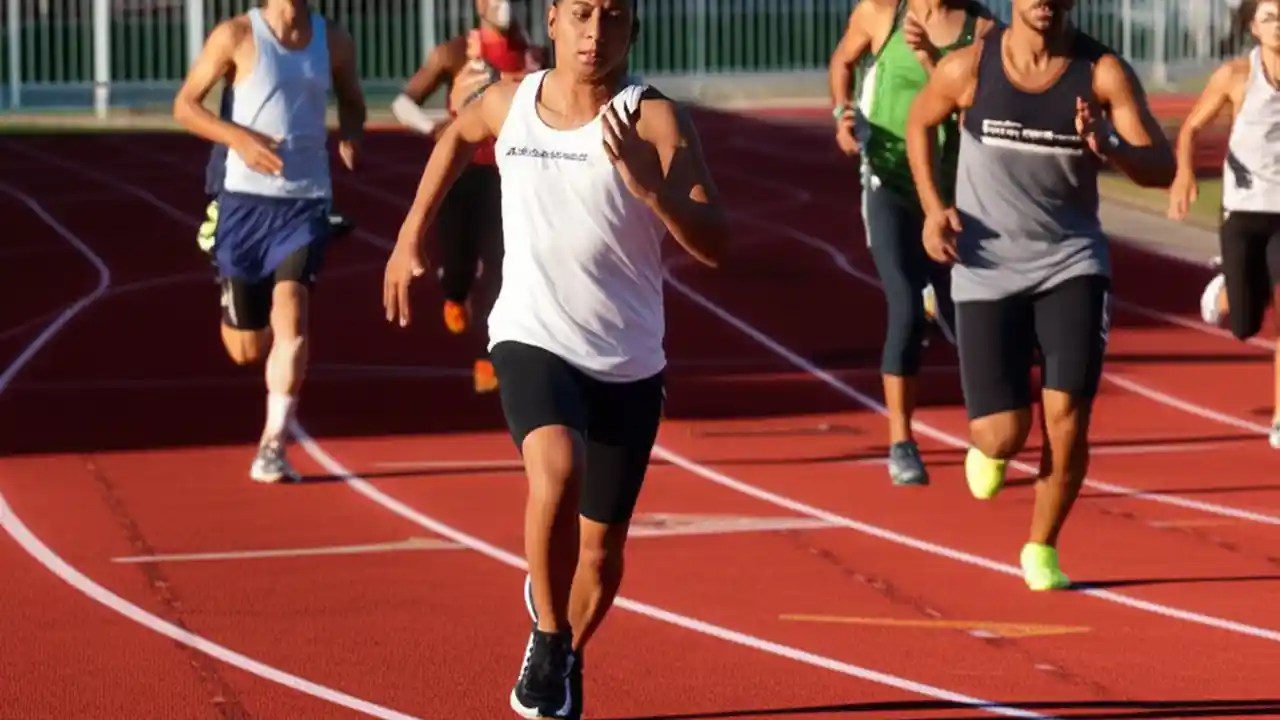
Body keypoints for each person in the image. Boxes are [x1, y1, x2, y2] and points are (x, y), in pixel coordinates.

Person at [383, 0, 729, 713]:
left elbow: (716, 243)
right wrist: (412, 230)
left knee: (598, 555)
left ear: (633, 29)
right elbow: (458, 136)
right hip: (532, 333)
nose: (595, 32)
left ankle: (564, 648)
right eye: (581, 14)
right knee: (558, 467)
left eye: (613, 17)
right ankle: (547, 633)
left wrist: (653, 191)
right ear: (552, 21)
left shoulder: (656, 121)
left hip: (627, 358)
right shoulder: (511, 103)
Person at [905, 0, 1174, 590]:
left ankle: (1041, 546)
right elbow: (920, 122)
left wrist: (1111, 145)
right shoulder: (972, 66)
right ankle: (992, 446)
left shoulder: (1101, 73)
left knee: (1067, 417)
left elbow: (1162, 166)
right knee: (1002, 432)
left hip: (1070, 263)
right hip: (986, 267)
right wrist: (931, 209)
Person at [174, 0, 366, 483]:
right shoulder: (236, 36)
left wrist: (351, 134)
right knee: (246, 349)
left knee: (293, 316)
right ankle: (222, 262)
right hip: (243, 202)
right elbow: (185, 105)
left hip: (306, 201)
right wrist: (238, 138)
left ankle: (272, 445)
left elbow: (352, 99)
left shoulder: (334, 41)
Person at [828, 0, 994, 486]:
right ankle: (902, 441)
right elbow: (842, 61)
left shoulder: (984, 30)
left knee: (971, 318)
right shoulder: (883, 12)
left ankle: (988, 432)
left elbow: (976, 111)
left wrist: (930, 61)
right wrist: (842, 113)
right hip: (890, 184)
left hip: (954, 195)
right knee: (904, 306)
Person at [390, 0, 547, 393]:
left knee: (503, 267)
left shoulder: (538, 55)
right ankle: (455, 293)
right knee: (458, 265)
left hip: (512, 175)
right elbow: (403, 103)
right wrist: (432, 128)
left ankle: (492, 358)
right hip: (463, 174)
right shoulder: (456, 52)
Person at [1169, 0, 1280, 450]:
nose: (1279, 26)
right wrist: (1185, 174)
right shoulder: (1236, 76)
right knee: (1245, 324)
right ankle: (1225, 290)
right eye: (1270, 18)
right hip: (1243, 209)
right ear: (1253, 28)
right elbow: (1190, 129)